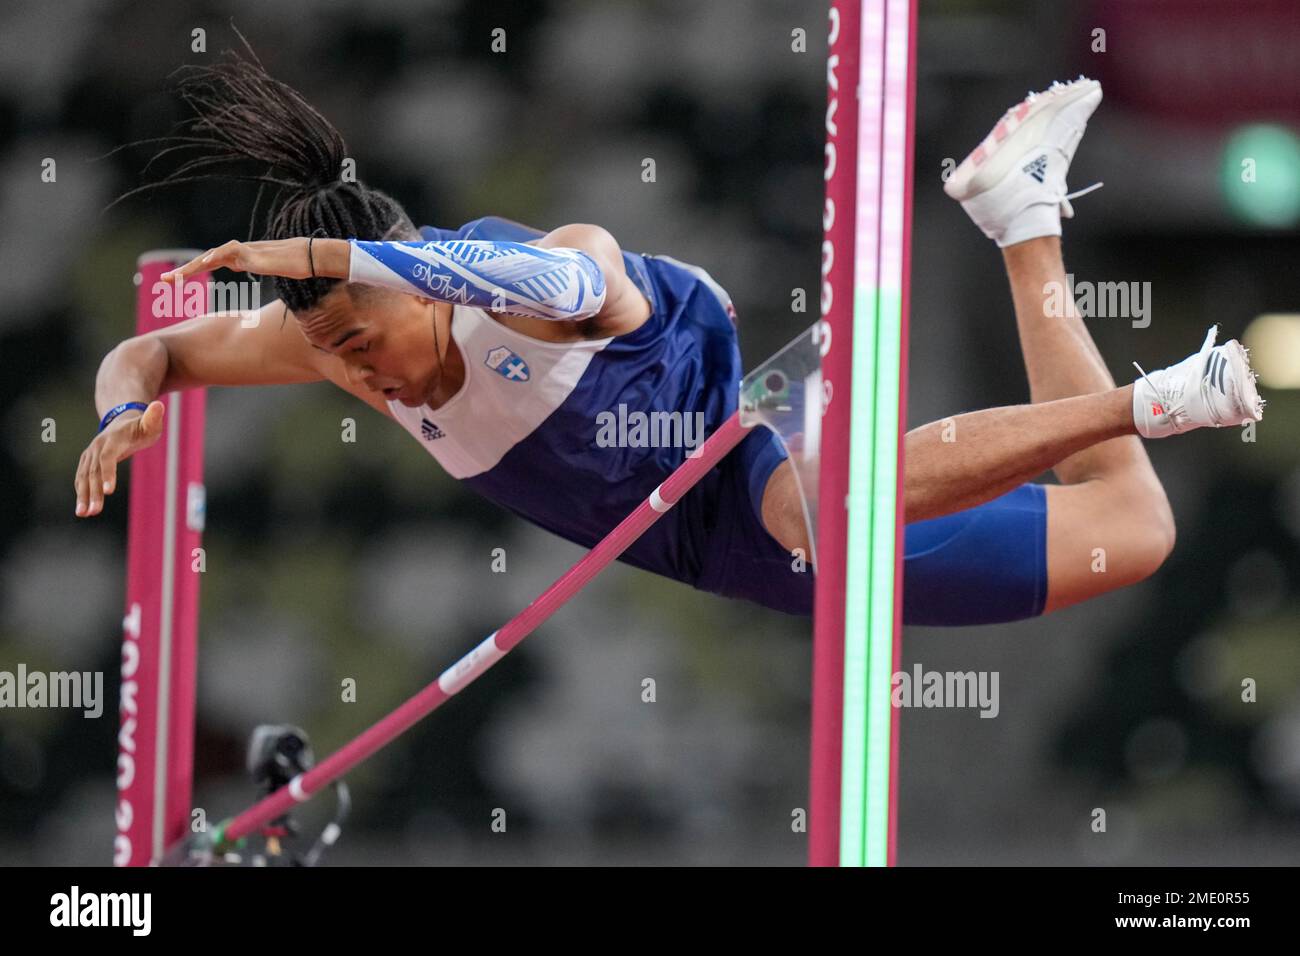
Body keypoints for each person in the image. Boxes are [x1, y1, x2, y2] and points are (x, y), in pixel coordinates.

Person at [78, 58, 1262, 624]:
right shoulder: (338, 344)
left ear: (417, 283)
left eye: (359, 333)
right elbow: (155, 348)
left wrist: (356, 264)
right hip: (729, 543)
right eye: (331, 354)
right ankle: (1024, 218)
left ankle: (1158, 396)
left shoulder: (524, 284)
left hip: (738, 434)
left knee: (809, 513)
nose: (355, 371)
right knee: (1135, 527)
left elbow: (560, 271)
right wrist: (123, 406)